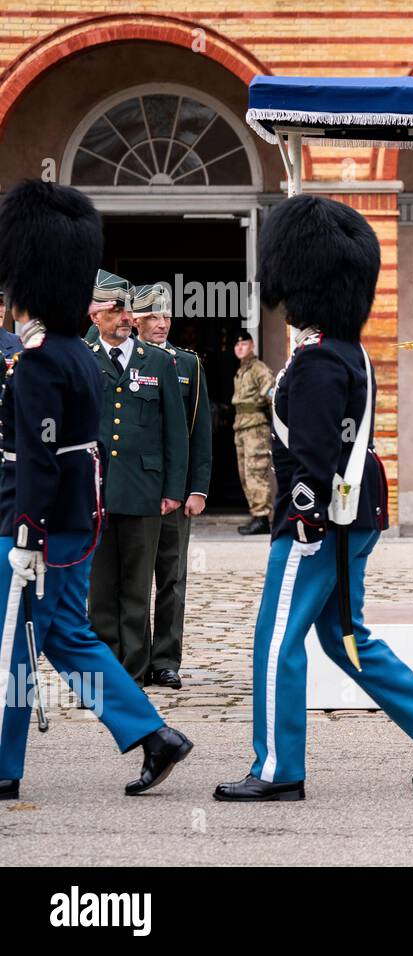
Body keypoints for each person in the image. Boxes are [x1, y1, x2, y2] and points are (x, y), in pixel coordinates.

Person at [213, 195, 413, 802]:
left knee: (277, 639)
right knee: (344, 634)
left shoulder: (314, 362)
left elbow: (313, 456)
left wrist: (302, 515)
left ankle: (278, 769)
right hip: (354, 514)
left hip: (318, 521)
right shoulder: (346, 351)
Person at [0, 180, 192, 801]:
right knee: (64, 634)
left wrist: (26, 531)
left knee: (11, 643)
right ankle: (151, 734)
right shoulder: (77, 355)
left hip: (39, 526)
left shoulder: (38, 363)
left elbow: (38, 456)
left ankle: (4, 766)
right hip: (77, 520)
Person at [86, 270, 188, 686]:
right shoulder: (81, 357)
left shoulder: (159, 362)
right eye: (115, 310)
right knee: (101, 587)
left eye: (128, 308)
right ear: (95, 316)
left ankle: (135, 667)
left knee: (137, 585)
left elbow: (175, 435)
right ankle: (105, 668)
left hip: (144, 490)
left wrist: (173, 491)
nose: (125, 316)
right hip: (94, 492)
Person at [132, 283, 212, 689]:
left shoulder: (188, 364)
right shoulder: (127, 362)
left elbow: (200, 433)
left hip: (177, 491)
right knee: (133, 578)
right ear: (136, 320)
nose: (161, 324)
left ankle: (166, 659)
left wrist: (198, 488)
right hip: (137, 488)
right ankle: (135, 658)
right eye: (152, 317)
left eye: (165, 317)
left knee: (172, 577)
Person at [232, 330, 276, 535]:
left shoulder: (258, 369)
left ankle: (262, 518)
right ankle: (257, 515)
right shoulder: (242, 371)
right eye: (237, 345)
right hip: (242, 427)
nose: (240, 348)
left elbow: (271, 394)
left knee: (255, 472)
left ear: (252, 346)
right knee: (245, 474)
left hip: (256, 429)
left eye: (244, 344)